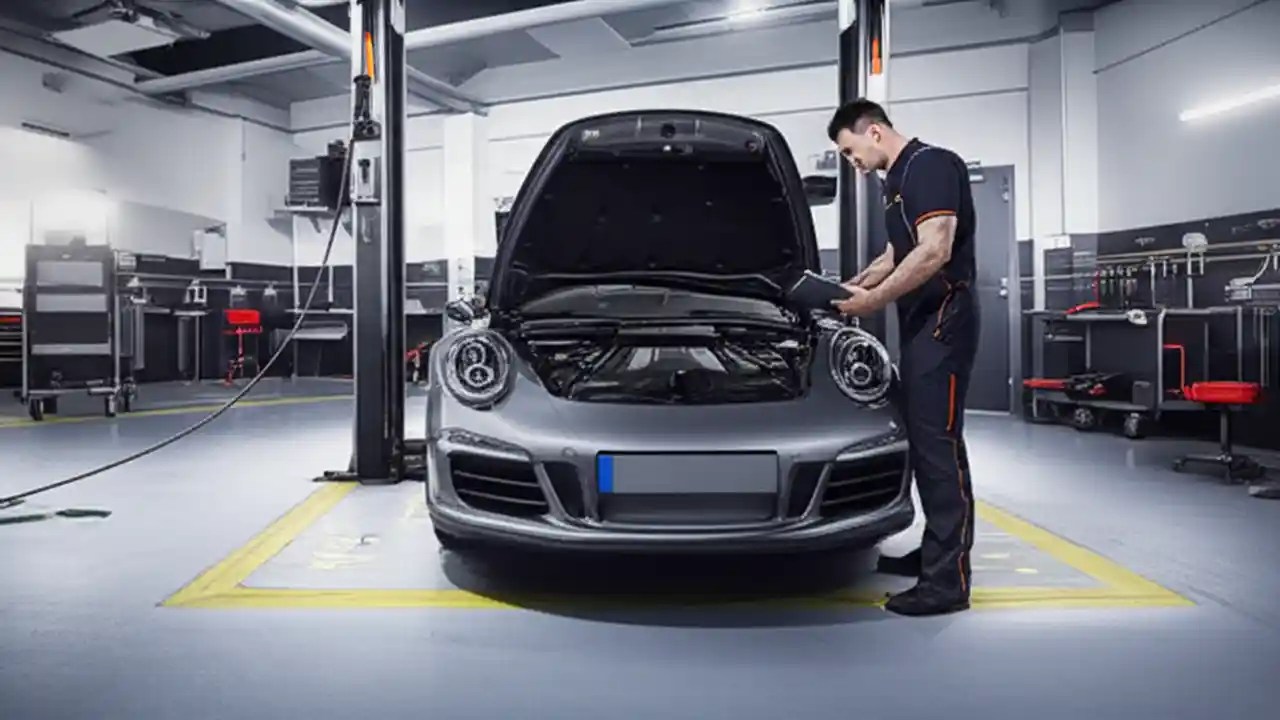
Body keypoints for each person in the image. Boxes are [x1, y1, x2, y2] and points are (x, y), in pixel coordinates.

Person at [826, 99, 979, 617]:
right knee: (924, 438)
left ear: (873, 131)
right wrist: (851, 285)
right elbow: (897, 253)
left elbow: (934, 249)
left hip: (944, 319)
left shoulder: (930, 165)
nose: (852, 163)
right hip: (920, 323)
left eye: (850, 152)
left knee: (938, 445)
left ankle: (947, 583)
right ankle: (935, 553)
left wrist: (873, 302)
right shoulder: (896, 182)